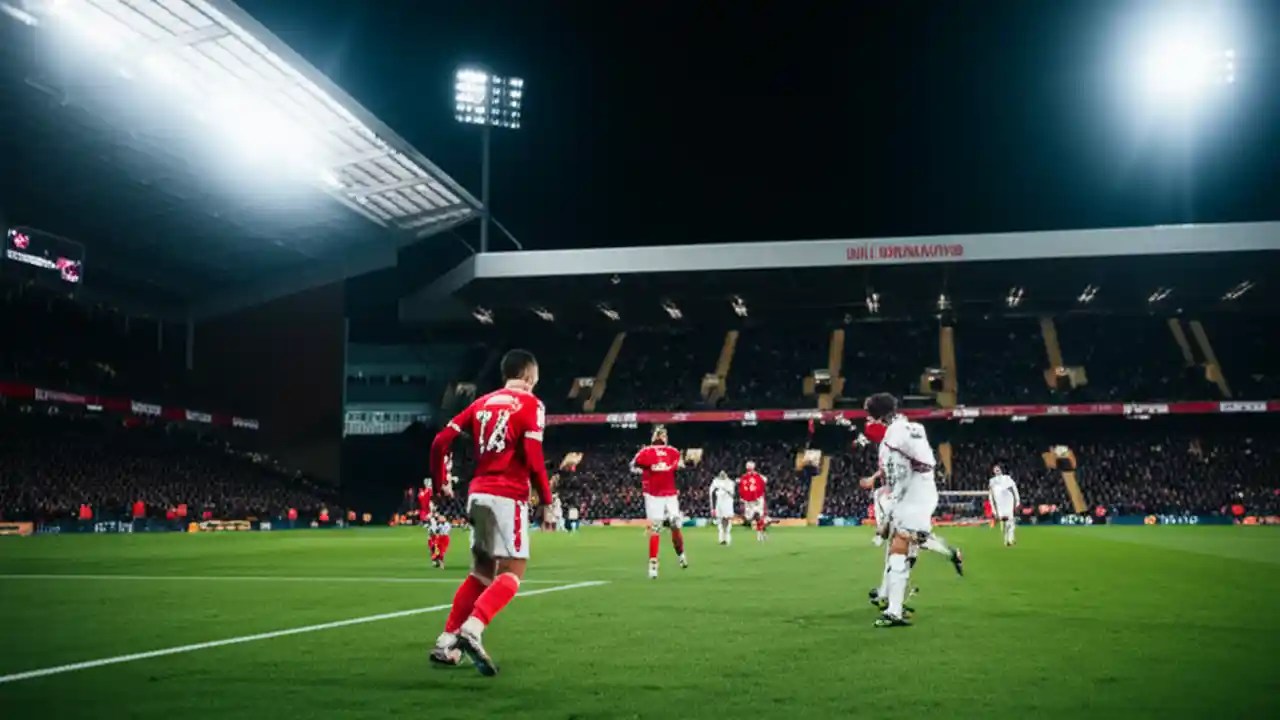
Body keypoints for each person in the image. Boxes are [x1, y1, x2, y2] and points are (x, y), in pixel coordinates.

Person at [427, 349, 555, 676]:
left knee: (481, 572)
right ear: (528, 376)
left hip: (477, 492)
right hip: (506, 494)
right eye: (535, 380)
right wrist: (547, 501)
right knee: (513, 571)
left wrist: (441, 481)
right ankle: (474, 626)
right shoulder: (531, 405)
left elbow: (441, 441)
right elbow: (534, 457)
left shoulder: (481, 403)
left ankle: (446, 642)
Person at [859, 393, 963, 628]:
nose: (868, 422)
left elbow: (901, 471)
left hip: (911, 494)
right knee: (905, 543)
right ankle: (891, 598)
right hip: (924, 489)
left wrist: (894, 502)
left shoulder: (892, 436)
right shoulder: (911, 427)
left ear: (877, 416)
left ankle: (894, 610)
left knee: (901, 544)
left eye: (869, 416)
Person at [631, 426, 688, 579]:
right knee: (656, 528)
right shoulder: (646, 451)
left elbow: (680, 465)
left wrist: (663, 467)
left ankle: (681, 555)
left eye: (664, 434)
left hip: (669, 493)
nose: (662, 437)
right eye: (660, 434)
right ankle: (653, 565)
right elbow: (634, 465)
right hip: (654, 495)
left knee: (674, 524)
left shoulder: (672, 451)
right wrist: (648, 469)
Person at [988, 464, 1021, 546]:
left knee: (1010, 522)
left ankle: (1010, 539)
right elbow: (991, 495)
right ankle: (1008, 539)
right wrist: (993, 509)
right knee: (1007, 522)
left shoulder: (1007, 478)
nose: (997, 471)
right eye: (995, 469)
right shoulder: (992, 481)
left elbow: (1014, 489)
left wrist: (1017, 501)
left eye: (998, 469)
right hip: (1000, 504)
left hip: (1008, 502)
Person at [738, 461, 768, 542]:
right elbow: (765, 480)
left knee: (756, 517)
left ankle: (761, 534)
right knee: (759, 517)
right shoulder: (758, 476)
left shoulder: (744, 477)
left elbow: (741, 488)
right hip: (757, 498)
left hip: (750, 500)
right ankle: (761, 533)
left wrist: (742, 498)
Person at [709, 471, 736, 545]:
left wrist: (725, 489)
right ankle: (721, 539)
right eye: (721, 474)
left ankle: (727, 538)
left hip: (727, 504)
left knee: (727, 520)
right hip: (719, 504)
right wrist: (712, 507)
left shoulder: (730, 483)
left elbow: (732, 493)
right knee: (720, 521)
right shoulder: (715, 482)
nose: (722, 475)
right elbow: (711, 493)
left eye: (724, 474)